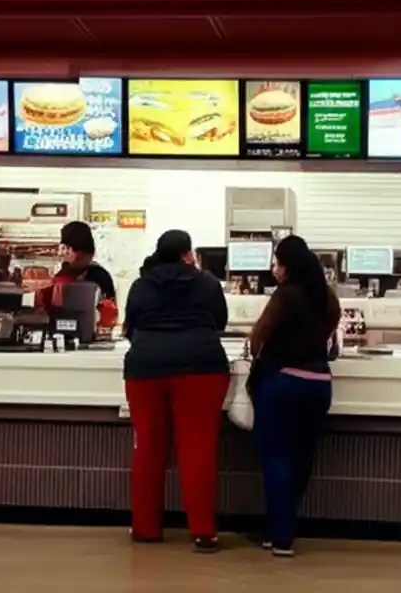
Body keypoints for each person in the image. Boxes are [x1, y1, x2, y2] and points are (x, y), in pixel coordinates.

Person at [122, 229, 230, 553]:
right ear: (187, 254)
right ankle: (203, 531)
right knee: (198, 449)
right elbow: (219, 322)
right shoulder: (207, 283)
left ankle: (146, 528)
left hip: (146, 368)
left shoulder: (141, 285)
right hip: (202, 367)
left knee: (148, 448)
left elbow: (130, 327)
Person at [247, 235, 342, 558]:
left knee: (276, 458)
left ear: (288, 266)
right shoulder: (327, 297)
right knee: (302, 459)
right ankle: (282, 528)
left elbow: (258, 338)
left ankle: (280, 535)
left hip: (283, 382)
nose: (274, 270)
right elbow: (329, 333)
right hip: (319, 384)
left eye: (277, 263)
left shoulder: (285, 296)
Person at [38, 221, 117, 328]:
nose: (61, 254)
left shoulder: (99, 277)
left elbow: (109, 316)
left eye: (67, 248)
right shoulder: (61, 276)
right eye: (62, 248)